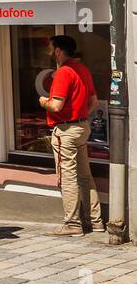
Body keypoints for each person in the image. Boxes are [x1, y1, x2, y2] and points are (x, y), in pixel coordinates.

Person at [40, 35, 103, 236]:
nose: (50, 53)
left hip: (65, 131)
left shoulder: (63, 73)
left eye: (51, 49)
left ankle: (73, 224)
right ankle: (96, 221)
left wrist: (43, 101)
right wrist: (80, 114)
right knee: (85, 176)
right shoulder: (82, 69)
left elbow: (56, 105)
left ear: (58, 51)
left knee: (67, 177)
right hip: (82, 127)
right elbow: (94, 103)